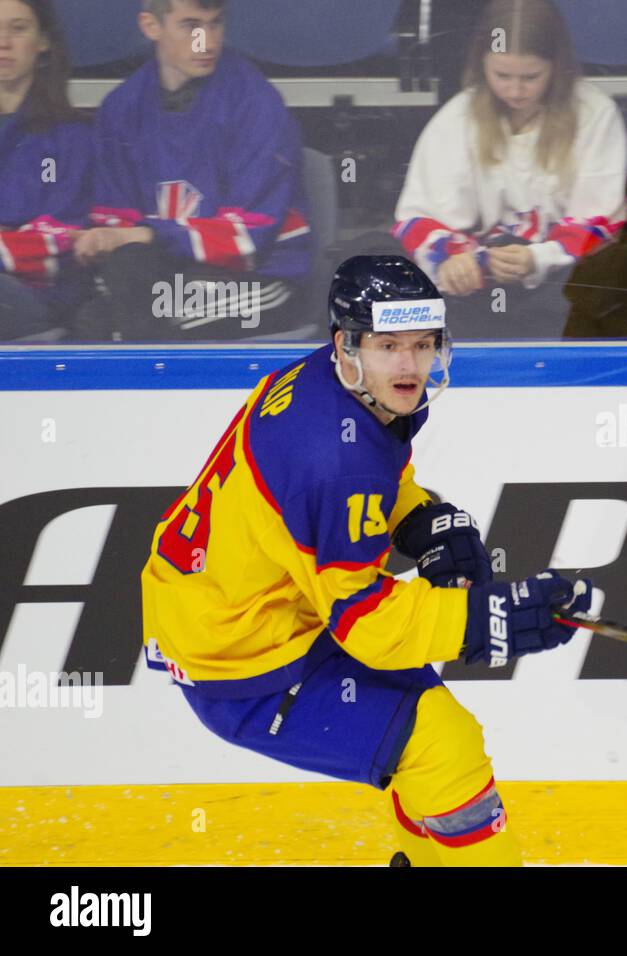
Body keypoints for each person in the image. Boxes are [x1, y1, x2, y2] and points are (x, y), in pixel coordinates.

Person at [139, 255, 592, 867]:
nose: (409, 366)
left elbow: (364, 484)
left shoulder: (331, 384)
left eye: (422, 344)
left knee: (436, 739)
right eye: (389, 346)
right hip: (239, 658)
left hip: (250, 608)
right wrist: (489, 619)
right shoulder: (334, 458)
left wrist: (419, 516)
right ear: (347, 345)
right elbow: (369, 625)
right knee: (437, 744)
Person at [74, 0, 313, 341]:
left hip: (259, 280)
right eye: (190, 26)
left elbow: (249, 239)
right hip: (167, 279)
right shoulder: (120, 108)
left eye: (215, 24)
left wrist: (150, 235)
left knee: (124, 324)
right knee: (97, 319)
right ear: (150, 26)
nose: (208, 42)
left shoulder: (257, 102)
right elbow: (114, 226)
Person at [394, 0, 626, 340]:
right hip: (476, 279)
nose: (515, 90)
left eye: (531, 77)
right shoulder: (459, 116)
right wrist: (454, 257)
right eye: (502, 75)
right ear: (481, 62)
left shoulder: (595, 113)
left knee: (612, 273)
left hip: (559, 279)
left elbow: (600, 222)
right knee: (375, 257)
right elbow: (419, 215)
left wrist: (536, 258)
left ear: (556, 66)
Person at [0, 0, 92, 341]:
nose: (3, 41)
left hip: (42, 300)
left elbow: (60, 241)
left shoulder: (71, 137)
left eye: (18, 28)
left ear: (42, 42)